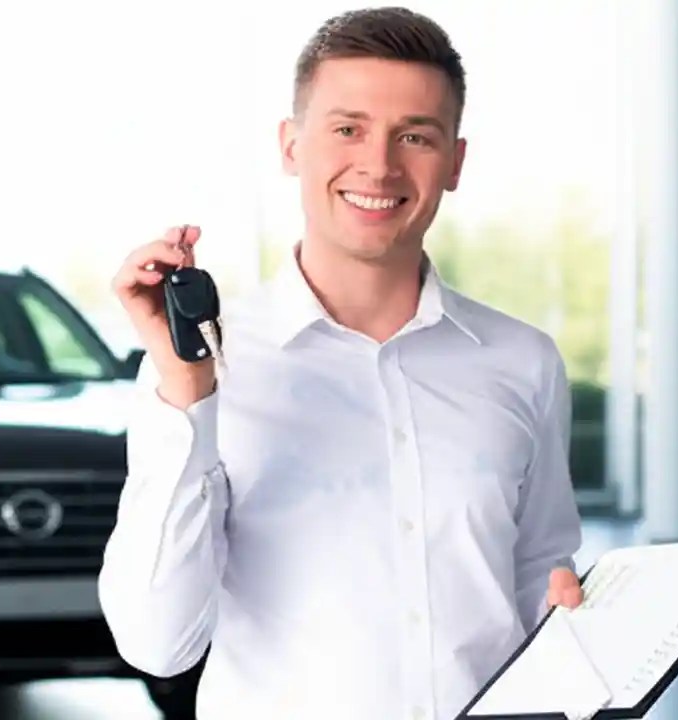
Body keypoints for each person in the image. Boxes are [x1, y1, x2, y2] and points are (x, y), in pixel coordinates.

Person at [99, 7, 585, 719]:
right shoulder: (199, 366)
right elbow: (156, 644)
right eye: (347, 128)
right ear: (292, 145)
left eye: (414, 136)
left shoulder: (523, 361)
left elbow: (542, 587)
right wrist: (188, 392)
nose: (379, 165)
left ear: (454, 162)